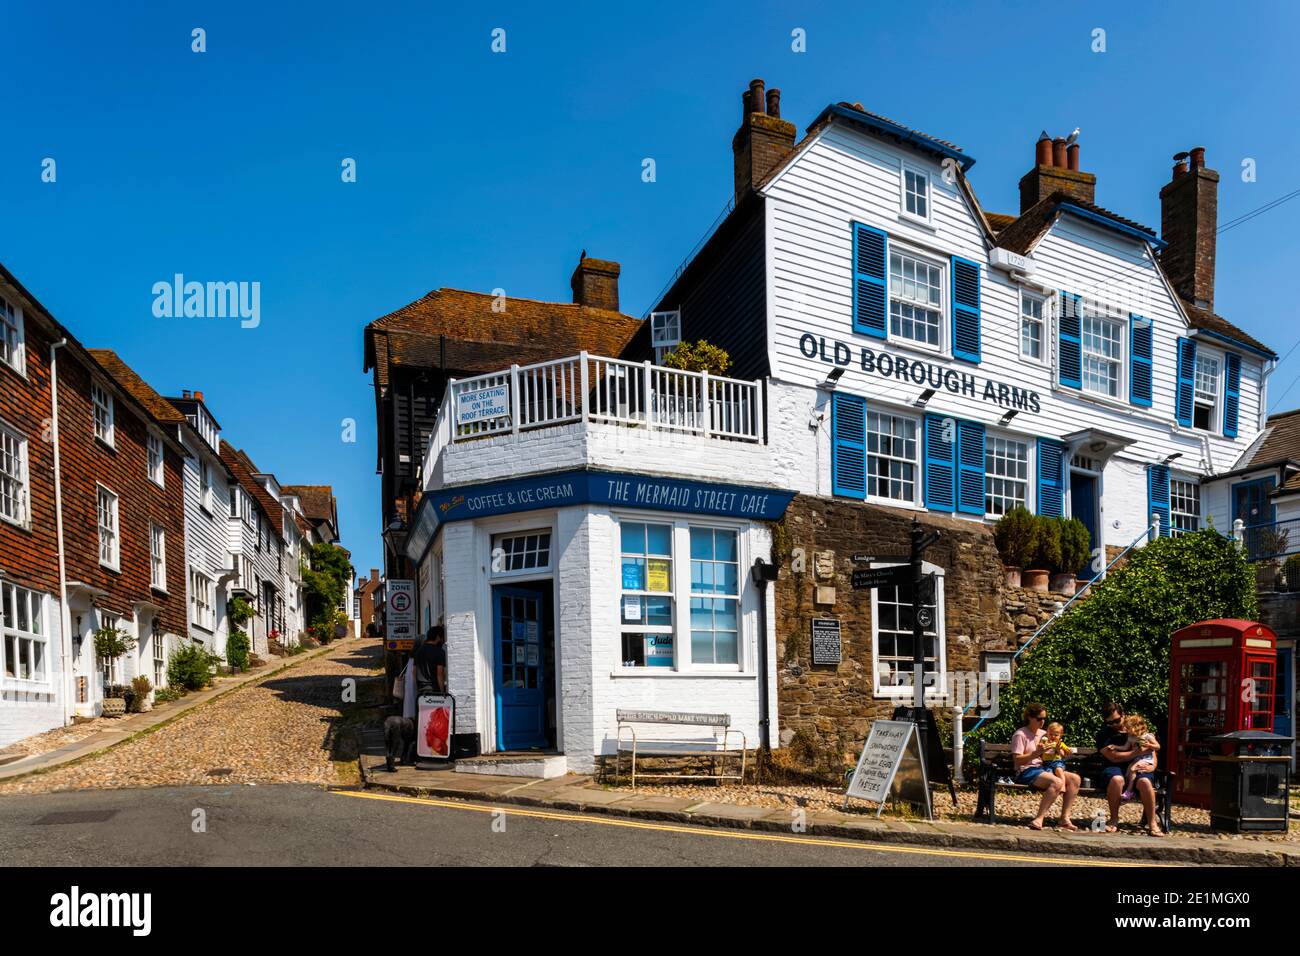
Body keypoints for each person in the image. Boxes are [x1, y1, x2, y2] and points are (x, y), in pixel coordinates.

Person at [1095, 701, 1164, 836]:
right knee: (1117, 779)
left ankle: (1152, 823)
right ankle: (1114, 820)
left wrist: (1152, 766)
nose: (1113, 725)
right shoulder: (1103, 734)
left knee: (1145, 782)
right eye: (1109, 723)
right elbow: (1114, 757)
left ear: (1123, 715)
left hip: (1140, 766)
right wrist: (1138, 753)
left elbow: (1152, 751)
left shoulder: (1136, 729)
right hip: (1114, 767)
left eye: (1116, 720)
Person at [1010, 703, 1080, 831]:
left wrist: (1060, 751)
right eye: (1039, 719)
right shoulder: (1020, 734)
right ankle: (1039, 819)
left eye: (1044, 719)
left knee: (1075, 779)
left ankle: (1064, 818)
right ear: (1030, 718)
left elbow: (1054, 755)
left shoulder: (1045, 734)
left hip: (1045, 768)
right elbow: (1017, 760)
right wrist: (1036, 753)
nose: (1042, 722)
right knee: (1057, 781)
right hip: (1026, 770)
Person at [1120, 714, 1160, 801]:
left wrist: (1149, 745)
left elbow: (1158, 747)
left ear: (1135, 727)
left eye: (1128, 728)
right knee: (1128, 771)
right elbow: (1125, 747)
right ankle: (1132, 789)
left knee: (1133, 768)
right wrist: (1114, 747)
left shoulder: (1147, 736)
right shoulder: (1131, 737)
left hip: (1147, 759)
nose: (1126, 730)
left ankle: (1129, 791)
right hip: (1137, 758)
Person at [414, 625, 447, 697]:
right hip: (434, 690)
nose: (443, 640)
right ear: (438, 637)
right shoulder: (439, 652)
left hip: (421, 690)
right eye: (442, 637)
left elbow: (414, 672)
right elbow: (440, 674)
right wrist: (442, 692)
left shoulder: (419, 651)